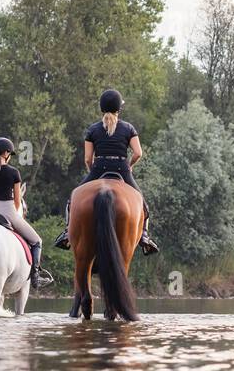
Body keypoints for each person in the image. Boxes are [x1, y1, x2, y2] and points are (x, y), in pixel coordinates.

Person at [53, 88, 159, 254]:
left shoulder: (93, 130)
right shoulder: (128, 128)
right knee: (143, 204)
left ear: (101, 108)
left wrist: (92, 172)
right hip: (122, 169)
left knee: (72, 200)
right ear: (119, 108)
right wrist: (130, 165)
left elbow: (88, 159)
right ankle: (144, 236)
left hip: (98, 168)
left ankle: (67, 232)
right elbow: (138, 153)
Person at [0, 137, 53, 288]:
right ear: (6, 153)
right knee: (37, 241)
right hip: (9, 212)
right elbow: (18, 201)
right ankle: (35, 277)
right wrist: (15, 215)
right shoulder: (13, 172)